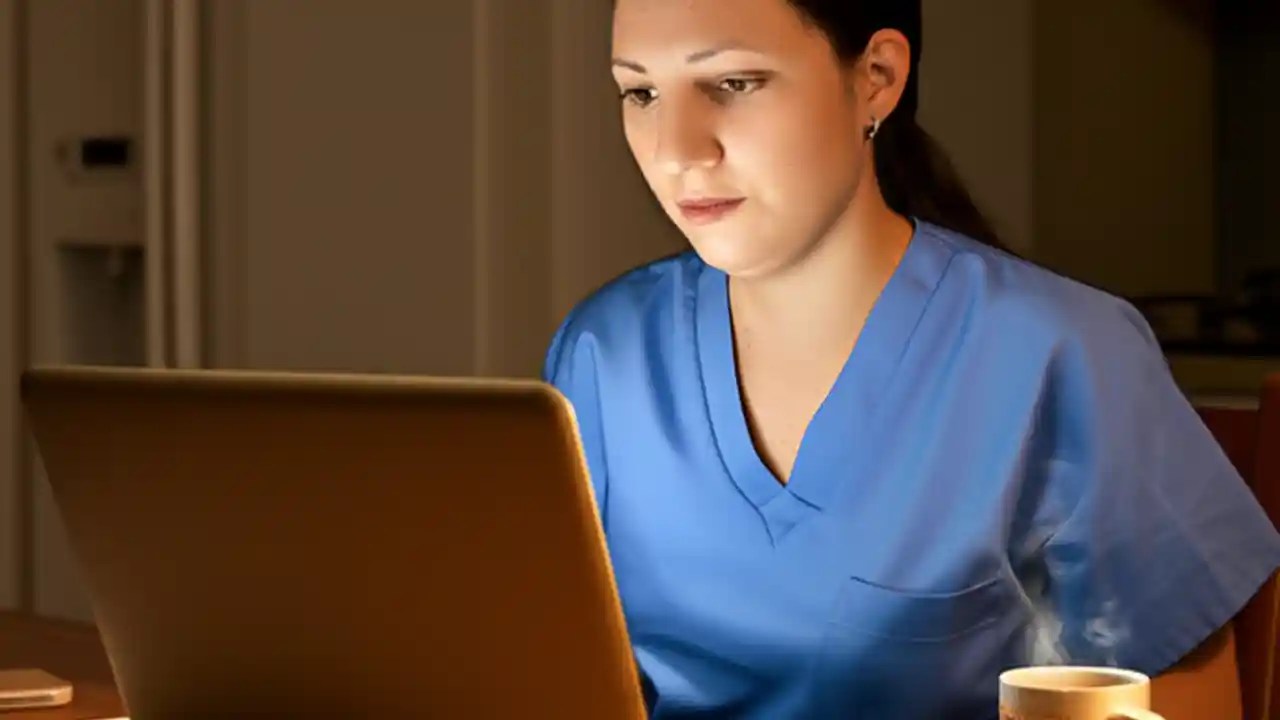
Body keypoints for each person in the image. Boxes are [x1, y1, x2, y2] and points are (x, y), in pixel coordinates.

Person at [540, 0, 1280, 717]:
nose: (677, 149)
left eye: (733, 83)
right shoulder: (604, 355)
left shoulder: (1060, 355)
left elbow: (1187, 706)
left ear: (878, 78)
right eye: (640, 91)